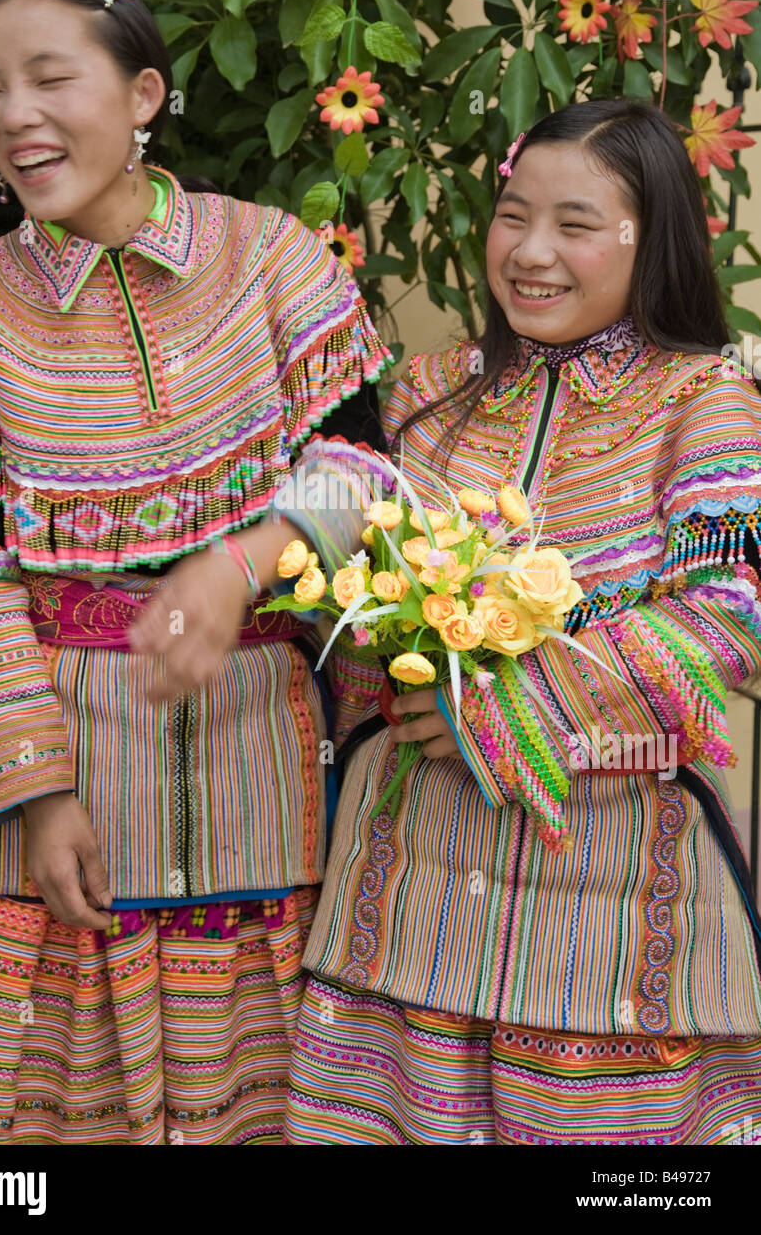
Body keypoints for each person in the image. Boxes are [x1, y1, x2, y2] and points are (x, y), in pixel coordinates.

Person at [0, 0, 393, 1144]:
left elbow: (364, 474)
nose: (14, 116)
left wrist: (242, 562)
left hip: (261, 762)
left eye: (50, 78)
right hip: (56, 775)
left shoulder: (271, 259)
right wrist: (34, 793)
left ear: (145, 95)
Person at [274, 98, 761, 1144]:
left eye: (574, 225)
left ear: (649, 238)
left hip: (611, 899)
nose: (529, 252)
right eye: (511, 214)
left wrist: (495, 713)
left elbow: (727, 616)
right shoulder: (427, 391)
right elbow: (333, 578)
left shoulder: (701, 400)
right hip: (406, 897)